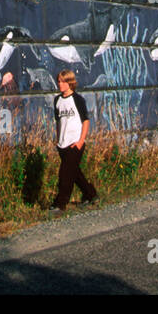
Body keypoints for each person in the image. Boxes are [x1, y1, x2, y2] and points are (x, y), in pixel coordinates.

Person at [50, 69, 98, 212]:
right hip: (62, 144)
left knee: (65, 174)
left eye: (62, 81)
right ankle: (91, 194)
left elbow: (86, 121)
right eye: (58, 81)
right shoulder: (57, 100)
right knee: (74, 173)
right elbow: (59, 122)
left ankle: (60, 204)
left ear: (69, 83)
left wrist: (80, 141)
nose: (59, 84)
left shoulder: (77, 99)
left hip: (75, 143)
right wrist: (58, 141)